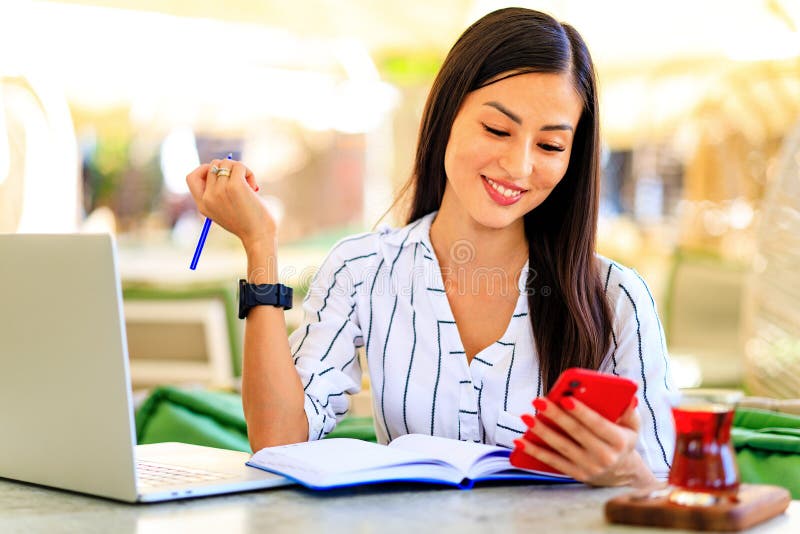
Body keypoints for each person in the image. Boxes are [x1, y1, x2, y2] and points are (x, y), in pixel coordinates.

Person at [186, 7, 675, 488]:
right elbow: (277, 442)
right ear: (446, 115)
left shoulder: (617, 299)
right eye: (497, 130)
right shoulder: (361, 270)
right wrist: (259, 243)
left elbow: (664, 490)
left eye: (549, 146)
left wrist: (626, 473)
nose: (519, 165)